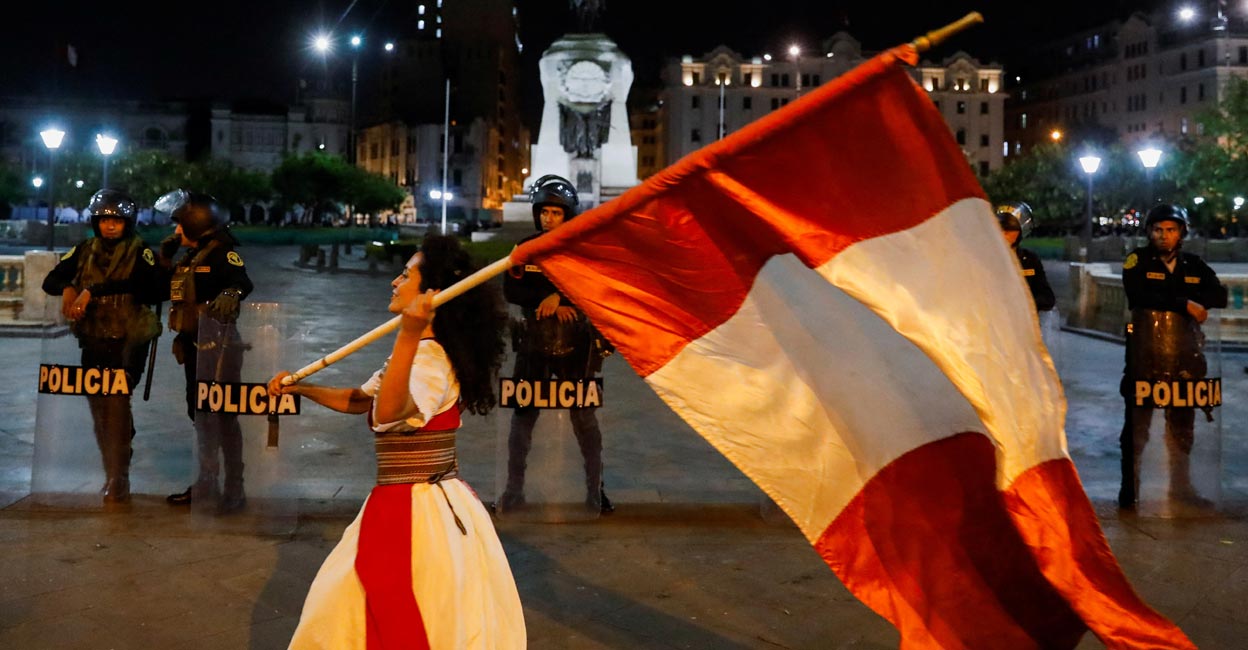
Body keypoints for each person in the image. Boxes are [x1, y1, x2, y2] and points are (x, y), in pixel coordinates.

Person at [267, 236, 524, 648]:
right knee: (358, 607)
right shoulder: (420, 352)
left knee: (383, 612)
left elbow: (388, 415)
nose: (394, 282)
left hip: (418, 509)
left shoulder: (429, 358)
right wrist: (301, 389)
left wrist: (408, 334)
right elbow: (362, 401)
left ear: (429, 293)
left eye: (405, 275)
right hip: (404, 500)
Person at [498, 175, 614, 514]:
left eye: (556, 213)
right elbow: (511, 289)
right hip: (532, 345)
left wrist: (561, 299)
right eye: (544, 212)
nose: (549, 218)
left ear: (568, 215)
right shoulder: (525, 249)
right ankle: (513, 489)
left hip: (575, 347)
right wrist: (543, 301)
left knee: (584, 419)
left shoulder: (580, 251)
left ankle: (596, 491)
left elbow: (594, 289)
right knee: (523, 417)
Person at [40, 189, 165, 504]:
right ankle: (112, 466)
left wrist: (93, 290)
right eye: (104, 220)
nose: (110, 226)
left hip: (129, 338)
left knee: (116, 403)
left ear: (127, 223)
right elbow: (50, 280)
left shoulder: (140, 251)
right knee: (99, 408)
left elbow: (149, 287)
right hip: (94, 338)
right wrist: (68, 288)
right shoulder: (84, 250)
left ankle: (118, 475)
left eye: (117, 221)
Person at [1120, 203, 1227, 509]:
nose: (1164, 235)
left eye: (1171, 229)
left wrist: (1188, 300)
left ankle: (1181, 486)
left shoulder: (1193, 264)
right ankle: (1131, 489)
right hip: (1145, 357)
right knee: (1136, 428)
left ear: (1182, 232)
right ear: (1149, 232)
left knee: (1182, 427)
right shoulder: (1137, 260)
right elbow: (1139, 294)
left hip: (1184, 357)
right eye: (1158, 229)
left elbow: (1218, 294)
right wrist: (1184, 303)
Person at [155, 190, 254, 512]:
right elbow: (162, 290)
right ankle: (207, 483)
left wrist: (232, 292)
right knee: (200, 415)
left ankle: (235, 488)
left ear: (196, 224)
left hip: (221, 346)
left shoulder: (221, 254)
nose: (176, 231)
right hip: (193, 345)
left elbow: (242, 280)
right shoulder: (189, 258)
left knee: (223, 416)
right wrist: (164, 260)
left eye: (180, 225)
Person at [996, 202, 1055, 312]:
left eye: (1009, 230)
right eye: (1000, 229)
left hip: (1022, 316)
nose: (1003, 234)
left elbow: (1047, 298)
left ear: (1020, 232)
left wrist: (1025, 303)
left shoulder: (1030, 260)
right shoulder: (985, 259)